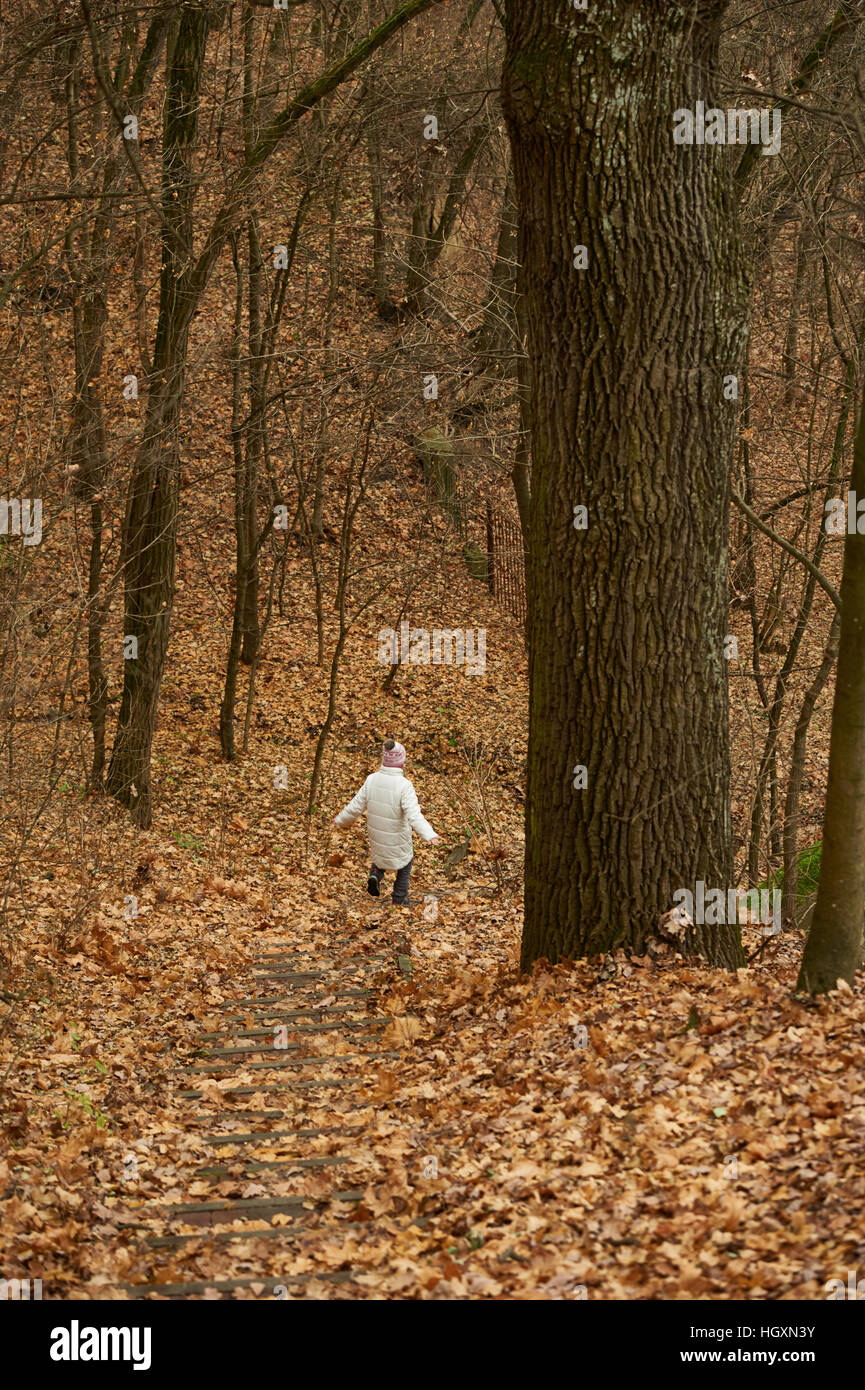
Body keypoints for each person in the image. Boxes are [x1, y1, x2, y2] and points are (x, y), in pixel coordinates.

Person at [333, 739, 439, 905]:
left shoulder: (371, 779)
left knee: (380, 855)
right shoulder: (404, 785)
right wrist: (429, 834)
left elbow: (356, 805)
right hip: (398, 837)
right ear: (401, 761)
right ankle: (399, 898)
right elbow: (414, 814)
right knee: (405, 864)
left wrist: (341, 819)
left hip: (376, 833)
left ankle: (375, 875)